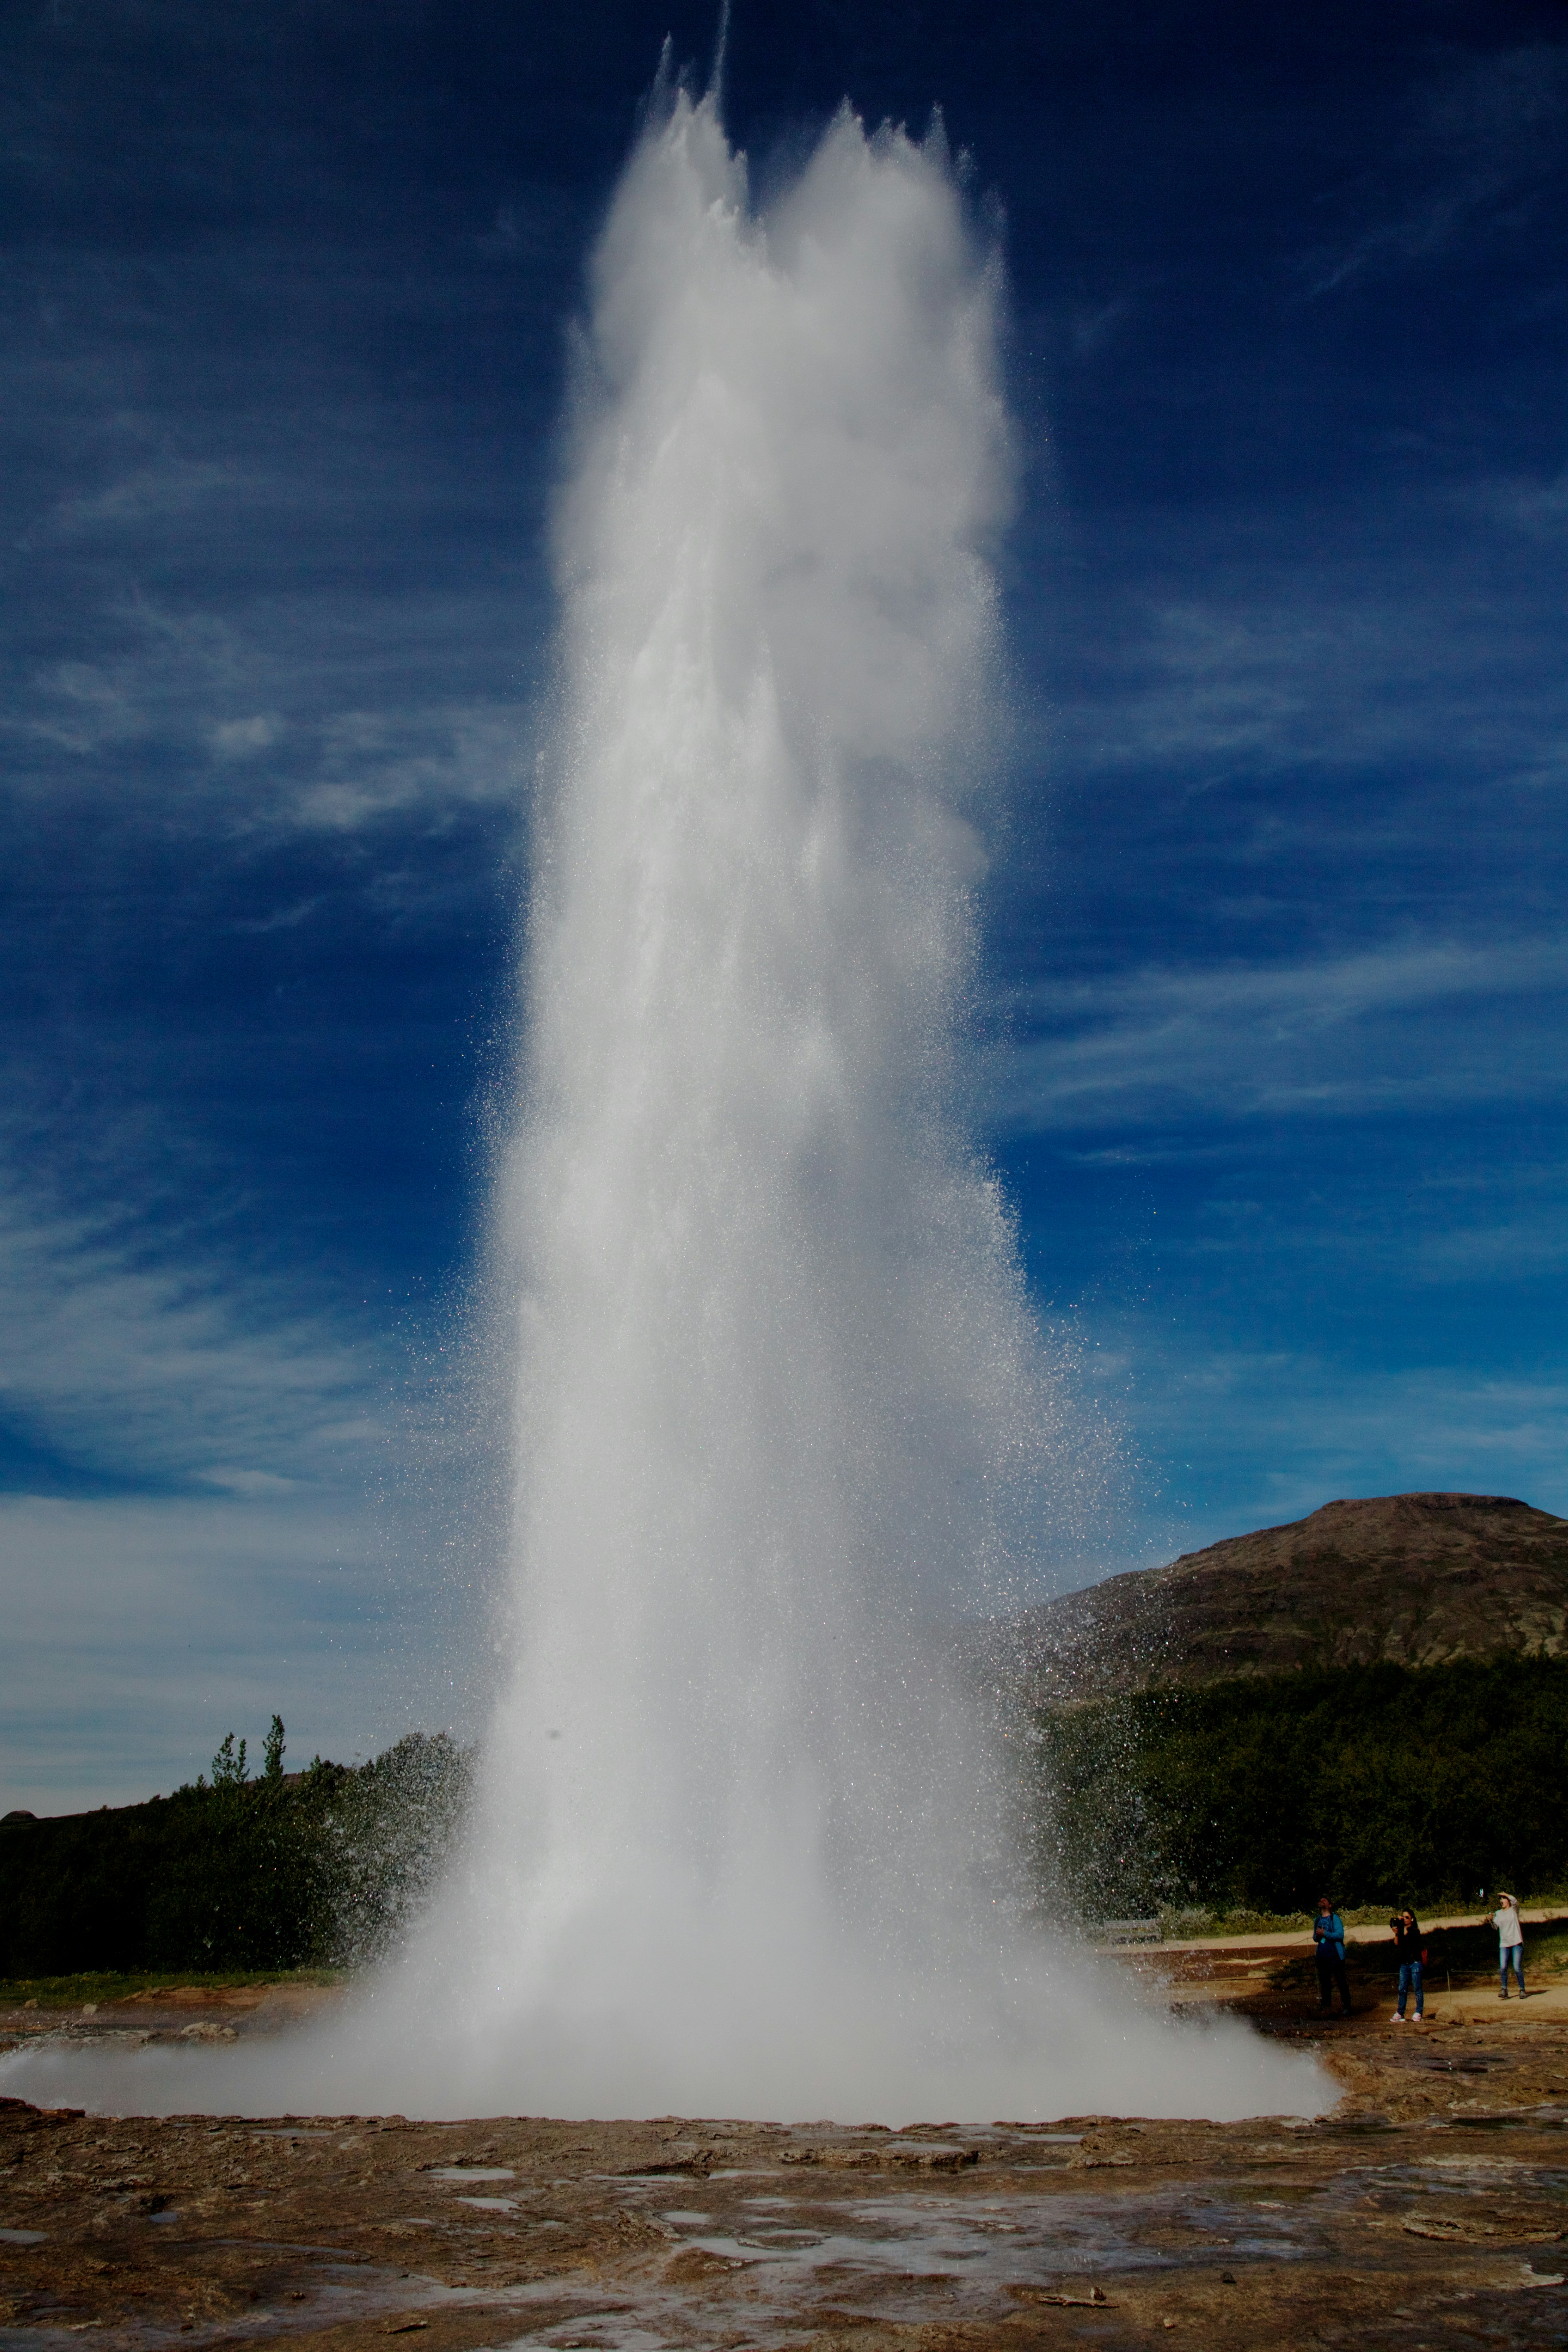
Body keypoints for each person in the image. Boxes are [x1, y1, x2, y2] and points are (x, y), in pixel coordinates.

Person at [1313, 1895, 1352, 2016]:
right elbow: (1315, 1938)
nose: (1322, 1901)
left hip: (1335, 1956)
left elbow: (1340, 1935)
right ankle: (1326, 2008)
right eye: (1321, 1900)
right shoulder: (1317, 1920)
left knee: (1341, 1982)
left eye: (1325, 1900)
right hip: (1322, 1957)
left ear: (1330, 1905)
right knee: (1325, 1984)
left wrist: (1325, 1933)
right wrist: (1318, 1936)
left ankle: (1347, 2007)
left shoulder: (1335, 1919)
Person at [1389, 1908, 1425, 2022]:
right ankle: (1400, 2013)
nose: (1404, 1919)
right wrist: (1396, 1933)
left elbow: (1410, 1941)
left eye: (1407, 1917)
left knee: (1417, 1988)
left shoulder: (1415, 1931)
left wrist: (1402, 1928)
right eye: (1403, 1917)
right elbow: (1397, 1944)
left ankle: (1419, 2012)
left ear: (1412, 1919)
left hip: (1415, 1962)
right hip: (1404, 1963)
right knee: (1402, 1989)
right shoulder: (1401, 1930)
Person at [1494, 1891, 1525, 1999]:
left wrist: (1506, 1894)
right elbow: (1495, 1927)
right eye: (1501, 1899)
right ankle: (1504, 1989)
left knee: (1517, 1967)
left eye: (1503, 1899)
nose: (1501, 1901)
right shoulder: (1498, 1913)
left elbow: (1515, 1901)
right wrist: (1490, 1921)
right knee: (1503, 1967)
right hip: (1504, 1944)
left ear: (1508, 1900)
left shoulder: (1514, 1910)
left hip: (1516, 1942)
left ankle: (1522, 1989)